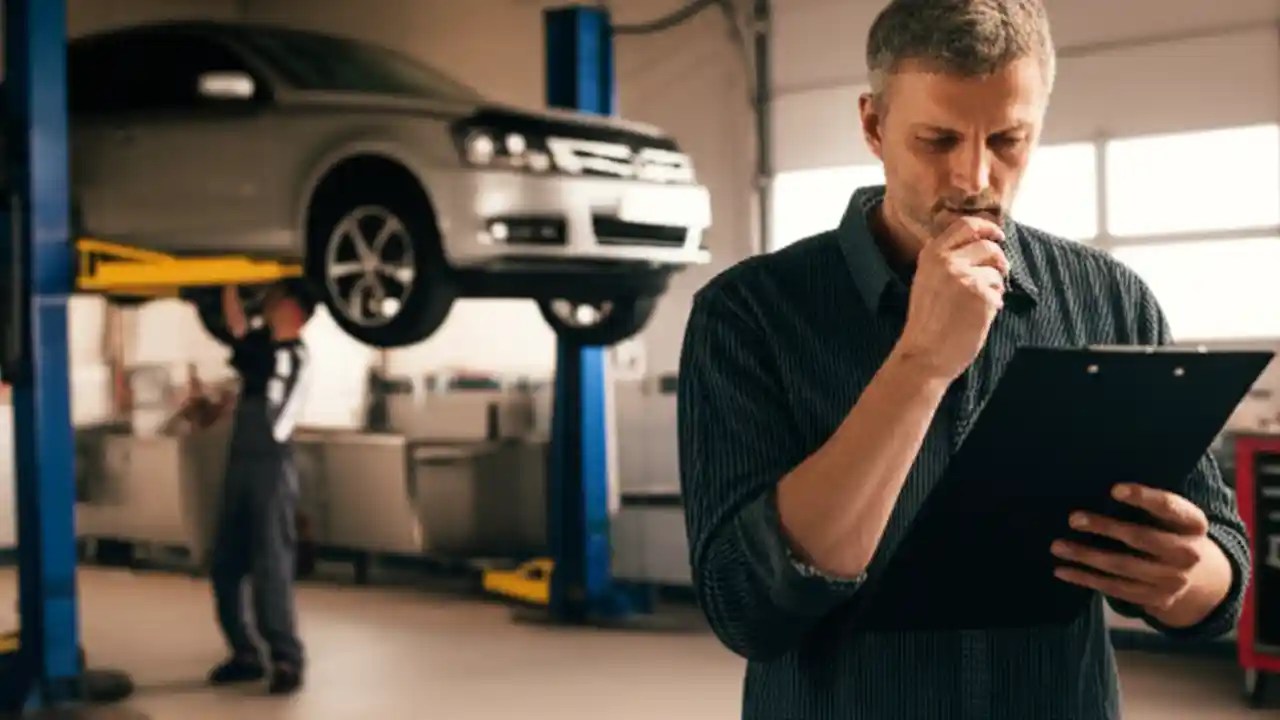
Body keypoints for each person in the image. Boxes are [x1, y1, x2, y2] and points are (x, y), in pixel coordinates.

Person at [676, 1, 1250, 717]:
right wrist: (920, 363)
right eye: (938, 139)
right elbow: (746, 604)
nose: (974, 177)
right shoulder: (748, 314)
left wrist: (1193, 578)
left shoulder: (1110, 298)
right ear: (873, 125)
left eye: (1009, 139)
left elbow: (1219, 556)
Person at [186, 280, 315, 695]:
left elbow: (276, 413)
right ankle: (245, 653)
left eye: (276, 299)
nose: (268, 304)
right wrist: (227, 281)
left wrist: (228, 395)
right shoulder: (262, 347)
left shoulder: (294, 357)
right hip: (241, 465)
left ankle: (285, 658)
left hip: (270, 468)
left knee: (270, 565)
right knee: (226, 563)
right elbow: (237, 330)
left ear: (295, 310)